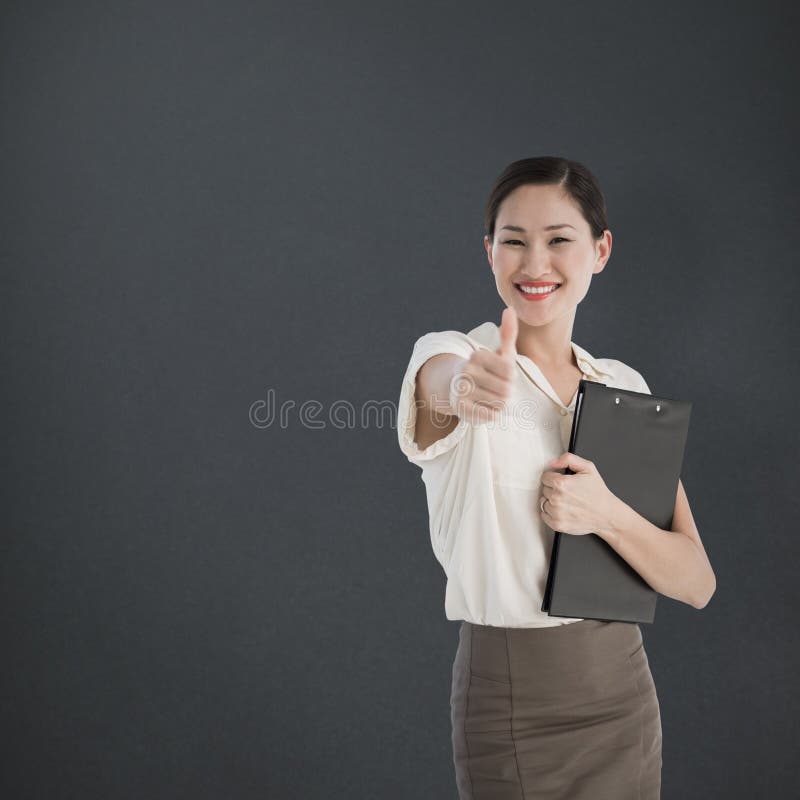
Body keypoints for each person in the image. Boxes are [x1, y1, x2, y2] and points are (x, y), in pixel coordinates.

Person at [396, 156, 716, 800]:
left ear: (600, 250)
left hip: (624, 692)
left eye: (559, 240)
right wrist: (463, 389)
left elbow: (696, 582)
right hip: (514, 701)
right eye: (513, 241)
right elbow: (441, 387)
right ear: (489, 253)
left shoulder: (623, 387)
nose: (534, 264)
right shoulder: (459, 353)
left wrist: (605, 515)